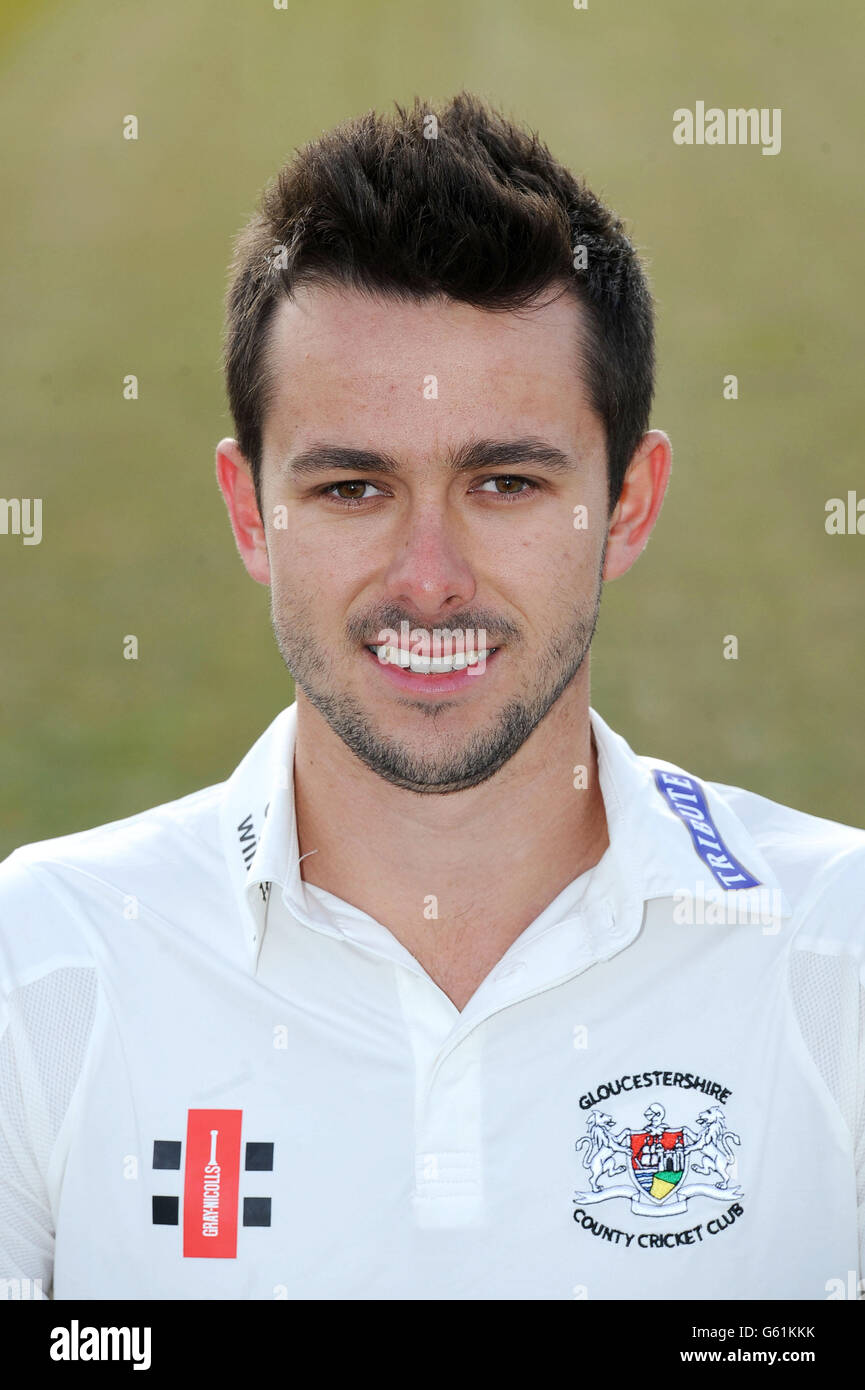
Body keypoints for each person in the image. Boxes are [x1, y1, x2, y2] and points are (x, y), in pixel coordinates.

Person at [1, 92, 862, 1302]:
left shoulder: (840, 953)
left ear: (627, 503)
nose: (429, 580)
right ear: (252, 511)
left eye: (504, 482)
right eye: (353, 487)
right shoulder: (37, 962)